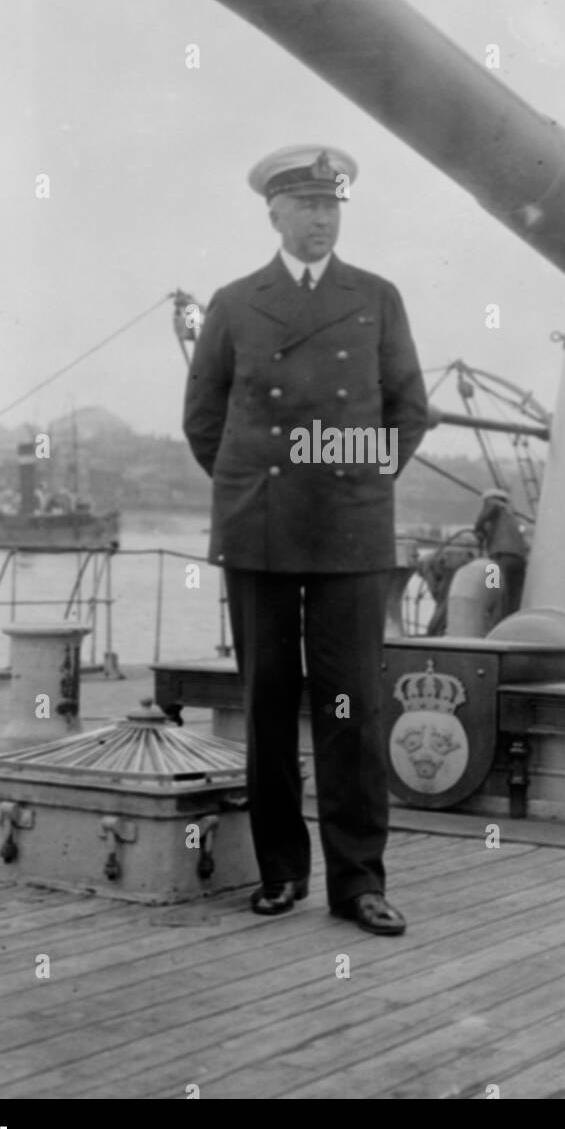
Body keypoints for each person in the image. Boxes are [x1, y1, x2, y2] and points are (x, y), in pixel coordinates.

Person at [183, 144, 429, 936]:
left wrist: (345, 469)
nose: (322, 219)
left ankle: (358, 883)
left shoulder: (378, 298)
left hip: (350, 531)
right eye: (307, 206)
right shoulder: (233, 302)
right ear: (275, 214)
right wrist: (258, 477)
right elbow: (204, 420)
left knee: (353, 709)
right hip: (261, 526)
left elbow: (408, 409)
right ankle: (281, 872)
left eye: (333, 207)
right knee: (266, 706)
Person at [473, 488, 528, 625]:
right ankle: (512, 624)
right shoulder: (511, 516)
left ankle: (495, 625)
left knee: (493, 590)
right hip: (519, 560)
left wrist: (478, 529)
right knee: (515, 596)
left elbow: (486, 514)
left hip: (499, 558)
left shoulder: (494, 506)